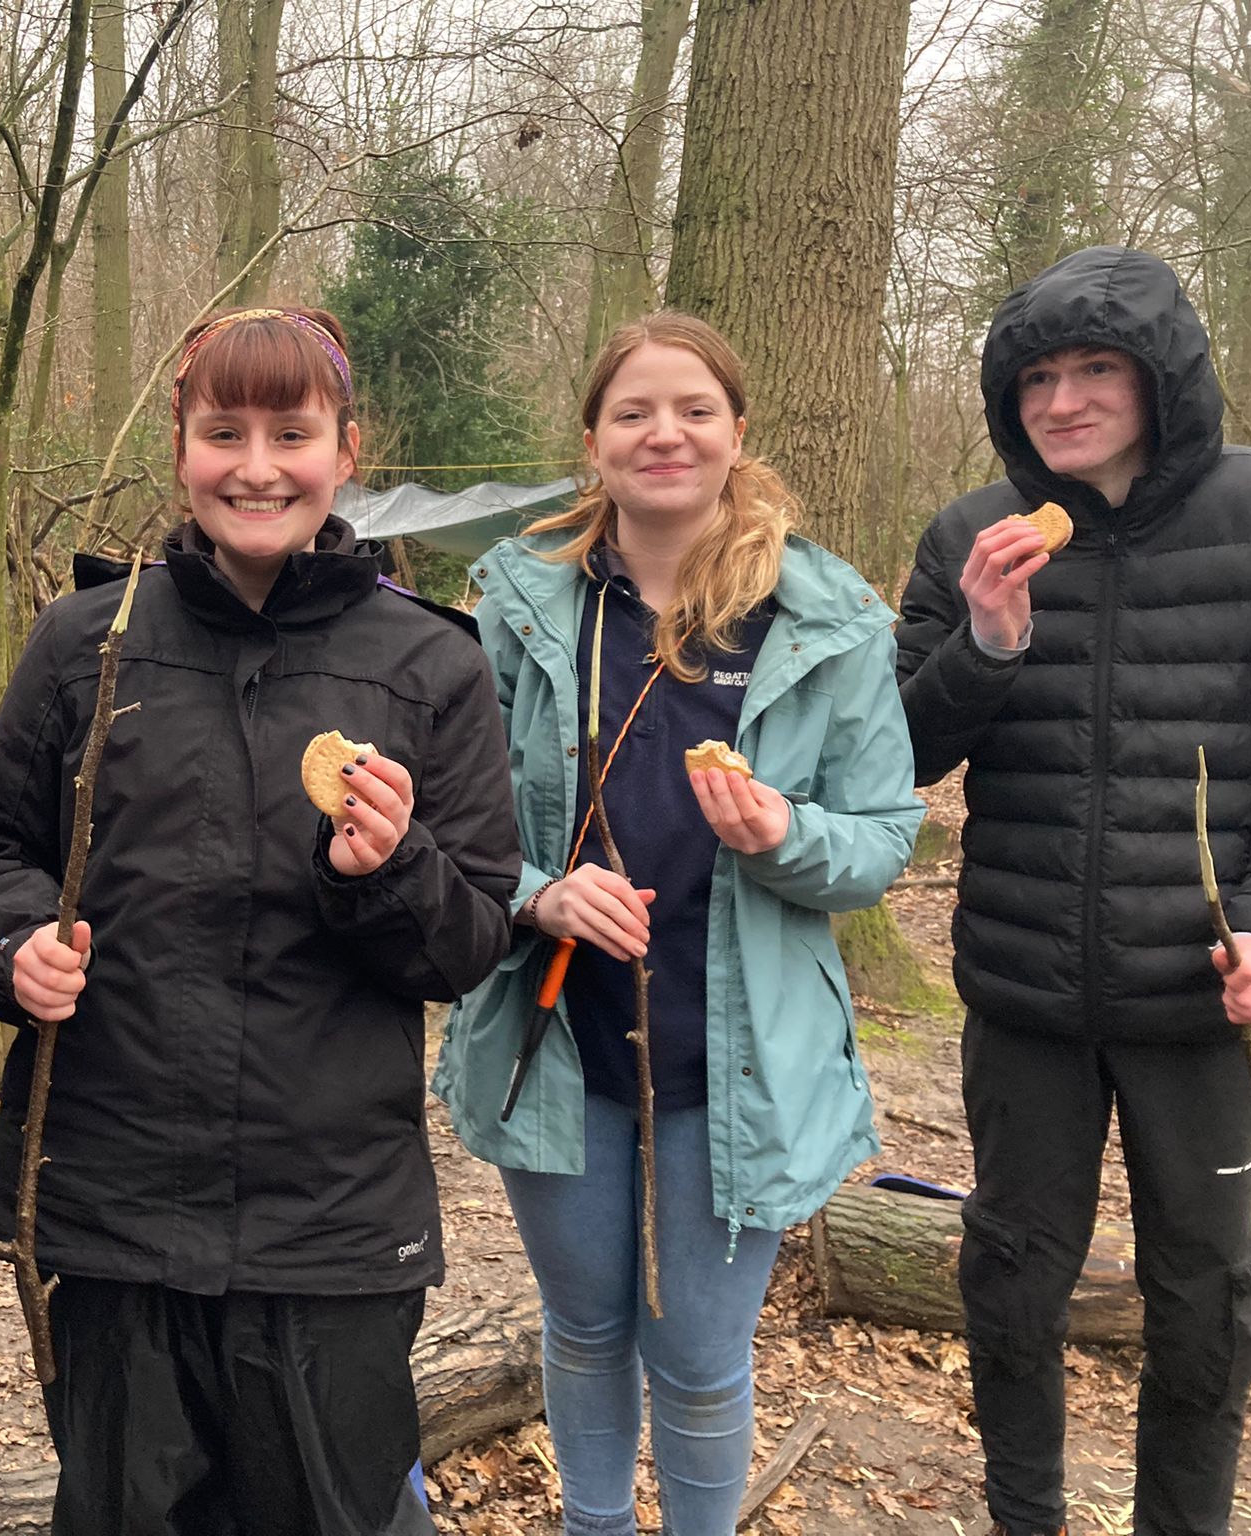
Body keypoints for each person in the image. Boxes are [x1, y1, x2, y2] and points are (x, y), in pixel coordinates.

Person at [0, 305, 521, 1535]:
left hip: (330, 1231)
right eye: (223, 432)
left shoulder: (432, 668)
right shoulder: (85, 641)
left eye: (291, 433)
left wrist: (387, 869)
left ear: (346, 449)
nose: (256, 467)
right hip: (110, 1205)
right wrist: (12, 946)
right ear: (180, 447)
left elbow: (469, 941)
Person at [434, 312, 922, 1536]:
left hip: (737, 1063)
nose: (665, 433)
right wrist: (536, 892)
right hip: (558, 1043)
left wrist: (782, 833)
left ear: (735, 433)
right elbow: (456, 820)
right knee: (584, 1329)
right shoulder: (522, 602)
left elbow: (881, 837)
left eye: (694, 410)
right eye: (633, 412)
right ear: (592, 441)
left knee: (698, 1361)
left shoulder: (828, 619)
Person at [896, 246, 1251, 1536]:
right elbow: (895, 753)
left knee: (1204, 1298)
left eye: (1094, 370)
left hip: (1205, 1001)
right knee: (1010, 1280)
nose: (1060, 401)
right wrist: (985, 641)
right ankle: (1021, 1517)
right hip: (1024, 992)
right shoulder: (969, 533)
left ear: (1161, 377)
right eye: (1034, 377)